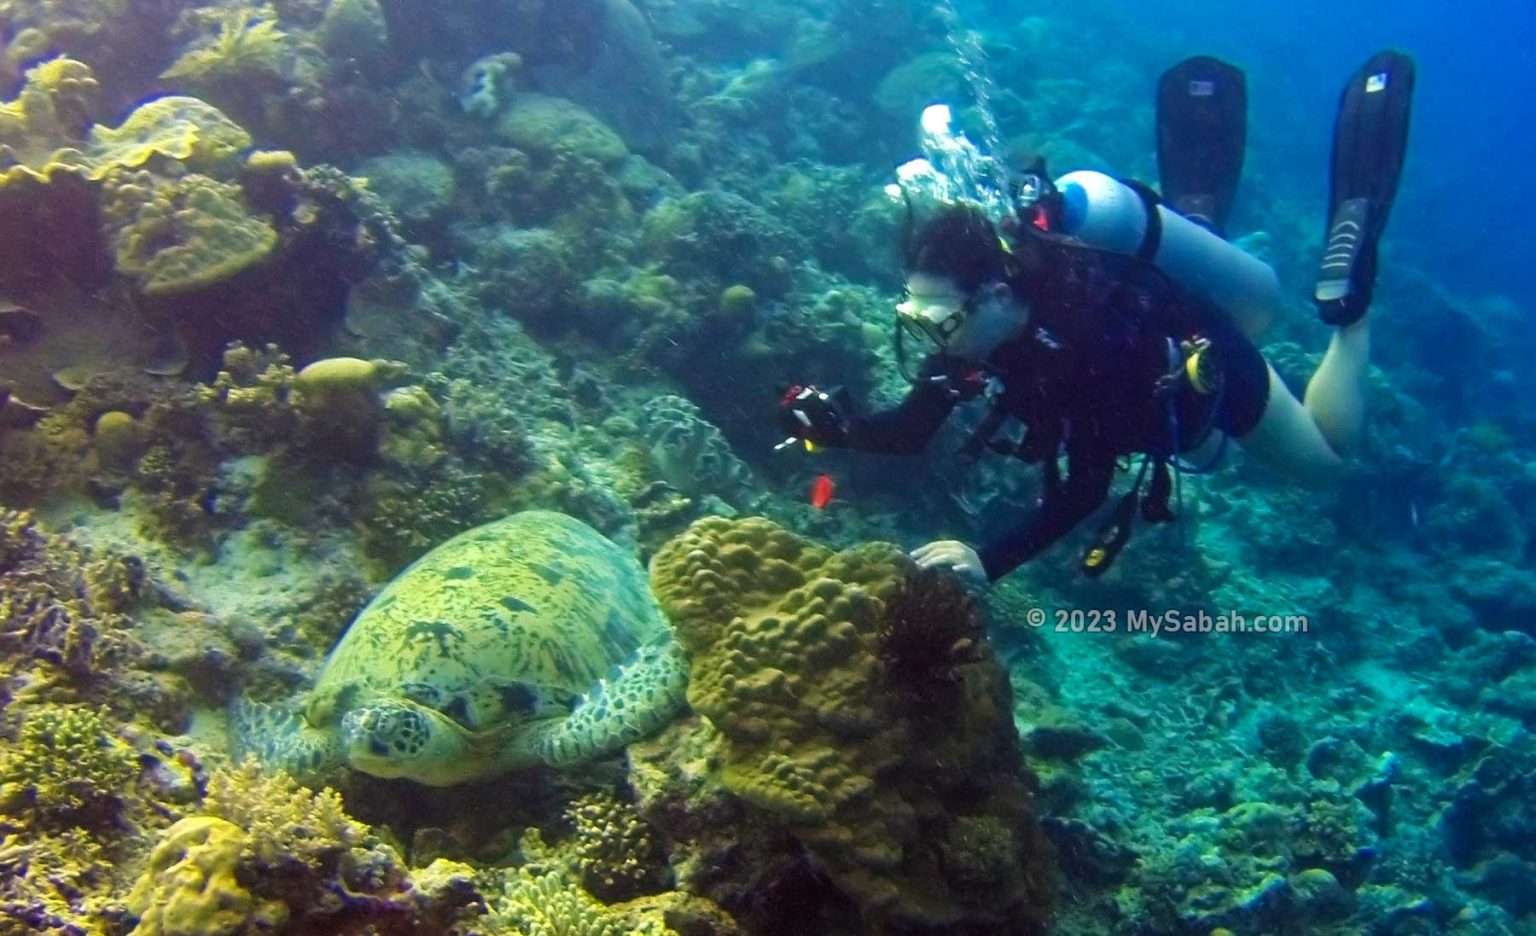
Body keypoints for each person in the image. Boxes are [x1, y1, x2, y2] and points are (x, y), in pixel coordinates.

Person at [777, 51, 1415, 584]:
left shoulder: (1091, 340)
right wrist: (837, 429)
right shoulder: (968, 331)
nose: (928, 338)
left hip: (1202, 341)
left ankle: (1351, 302)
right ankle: (1196, 225)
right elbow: (911, 430)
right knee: (1219, 381)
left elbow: (1085, 487)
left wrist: (987, 561)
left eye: (936, 318)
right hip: (1154, 325)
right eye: (914, 316)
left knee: (1323, 464)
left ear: (996, 295)